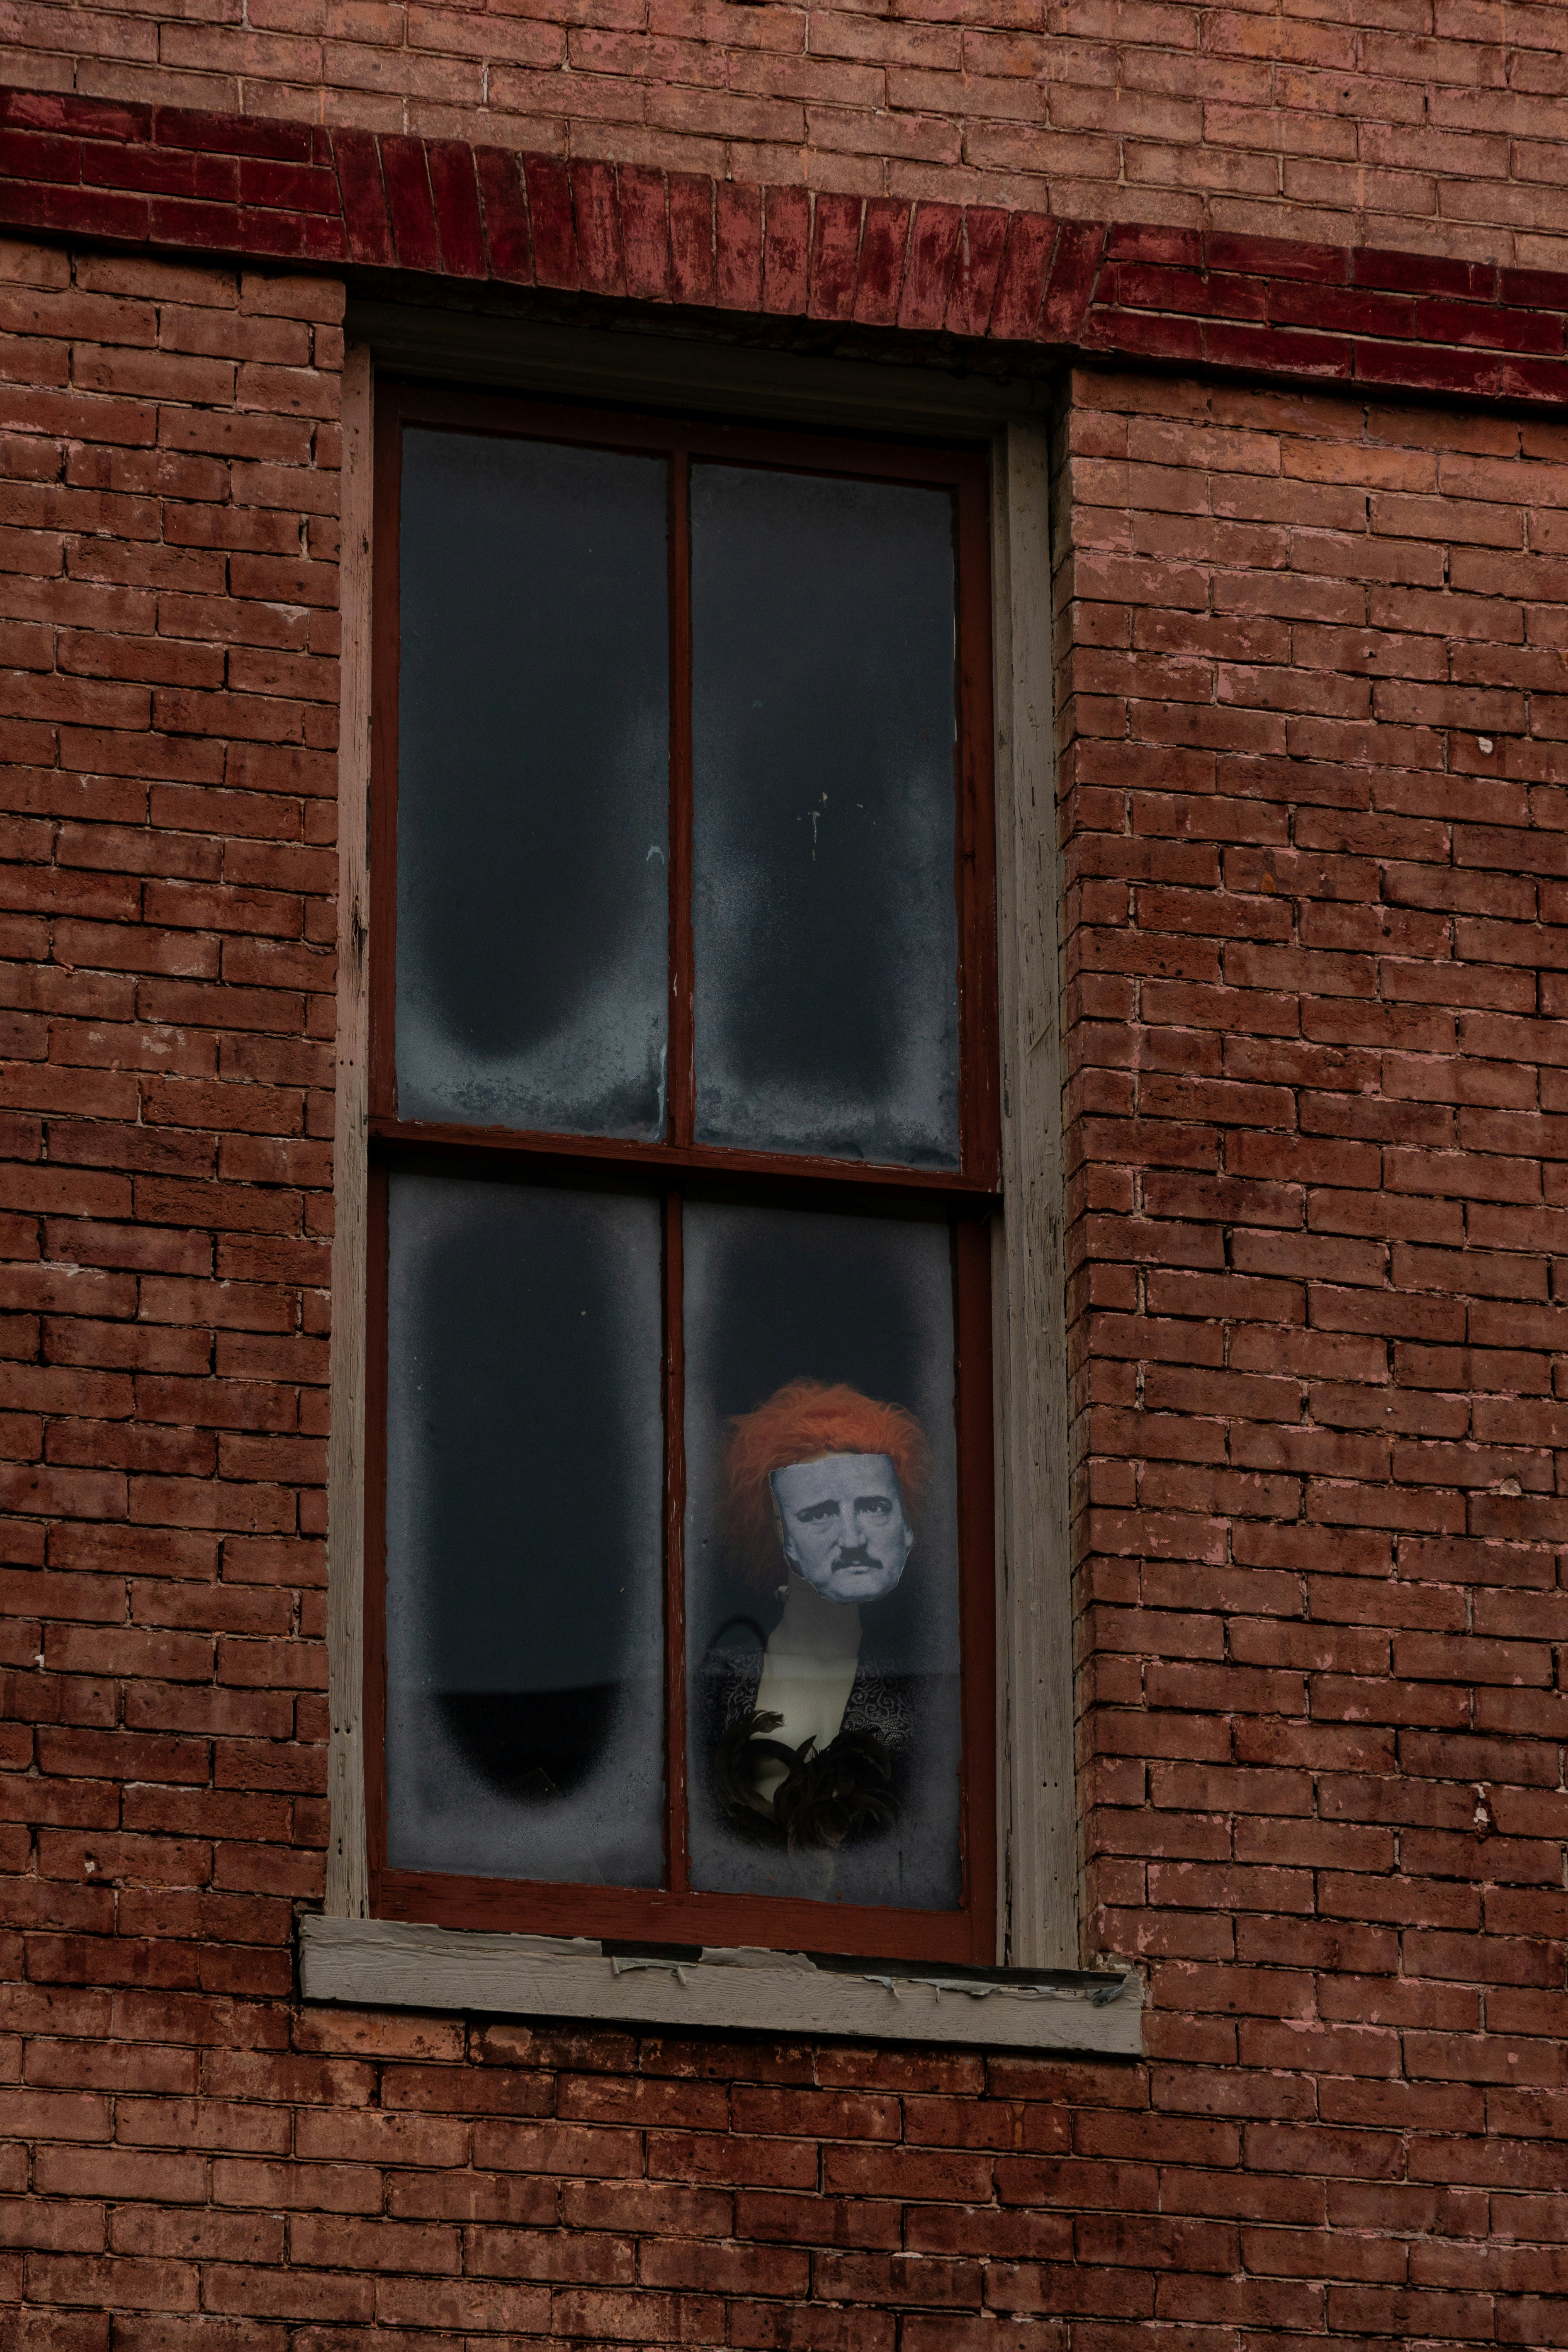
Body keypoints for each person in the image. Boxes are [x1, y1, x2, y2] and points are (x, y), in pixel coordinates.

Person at [705, 1377, 926, 1851]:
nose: (852, 1540)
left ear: (906, 1528)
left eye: (873, 1507)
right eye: (819, 1513)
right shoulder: (717, 1680)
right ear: (780, 1534)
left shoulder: (927, 1690)